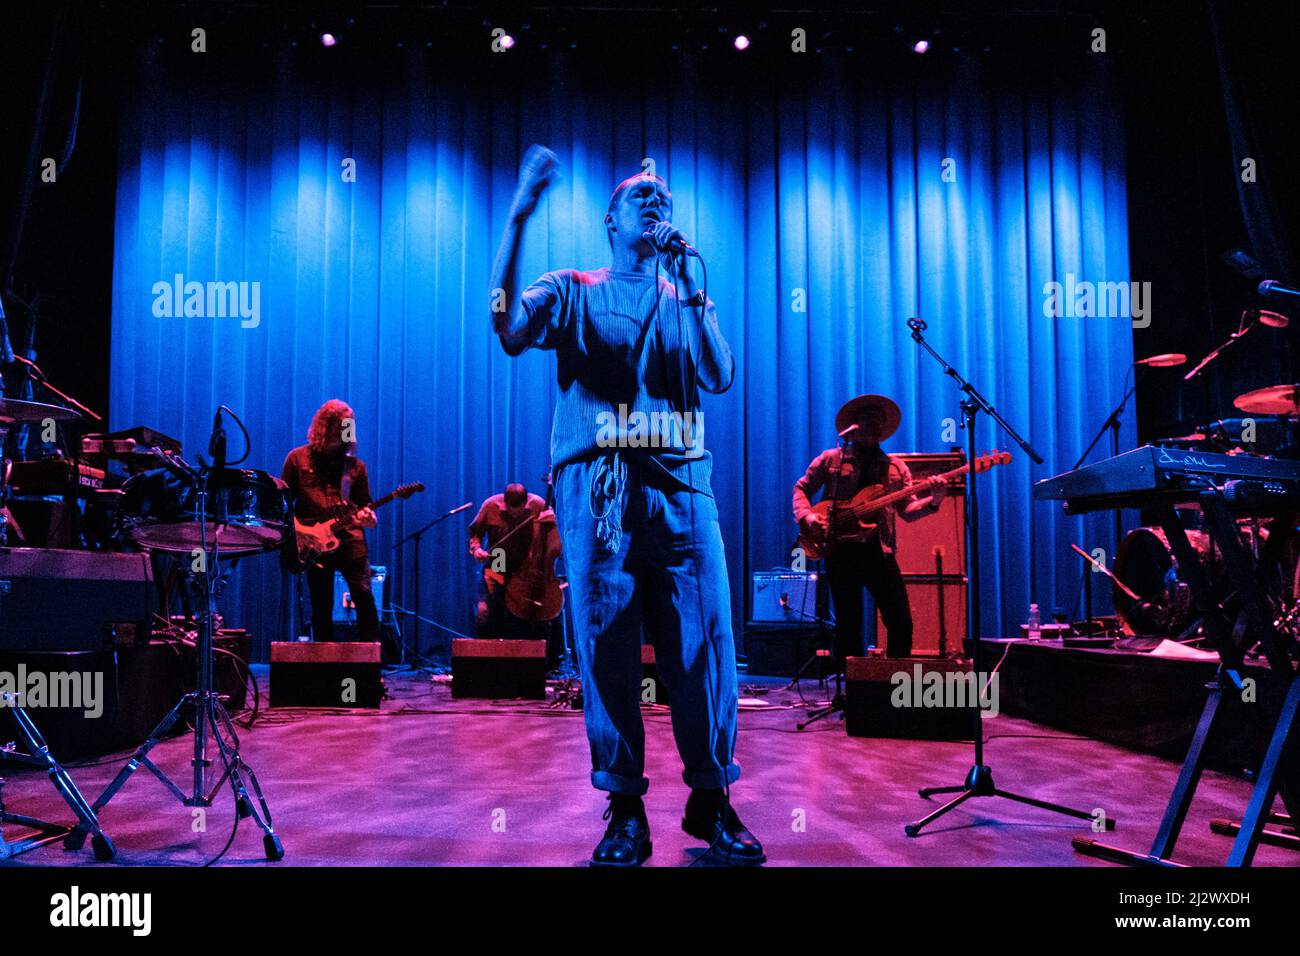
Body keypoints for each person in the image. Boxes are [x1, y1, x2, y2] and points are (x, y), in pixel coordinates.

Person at [487, 145, 762, 866]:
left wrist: (695, 289)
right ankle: (625, 808)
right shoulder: (573, 286)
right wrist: (517, 219)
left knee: (705, 645)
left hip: (682, 487)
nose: (656, 202)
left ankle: (711, 798)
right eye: (641, 195)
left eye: (664, 197)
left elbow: (722, 374)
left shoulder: (683, 294)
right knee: (607, 643)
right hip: (598, 485)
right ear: (611, 220)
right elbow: (508, 329)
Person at [792, 394, 945, 660]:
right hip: (840, 550)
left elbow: (907, 511)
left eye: (878, 421)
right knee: (848, 627)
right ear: (854, 425)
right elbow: (801, 488)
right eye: (868, 419)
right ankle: (853, 693)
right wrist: (807, 517)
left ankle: (894, 687)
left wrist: (934, 500)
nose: (873, 425)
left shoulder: (895, 468)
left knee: (900, 620)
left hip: (879, 552)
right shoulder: (831, 460)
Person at [282, 399, 379, 643]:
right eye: (342, 425)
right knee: (321, 605)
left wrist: (368, 518)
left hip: (350, 538)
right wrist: (300, 533)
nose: (347, 430)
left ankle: (370, 668)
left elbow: (364, 504)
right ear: (325, 426)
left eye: (350, 425)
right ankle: (324, 668)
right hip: (313, 543)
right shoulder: (297, 459)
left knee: (364, 597)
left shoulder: (355, 467)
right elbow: (282, 506)